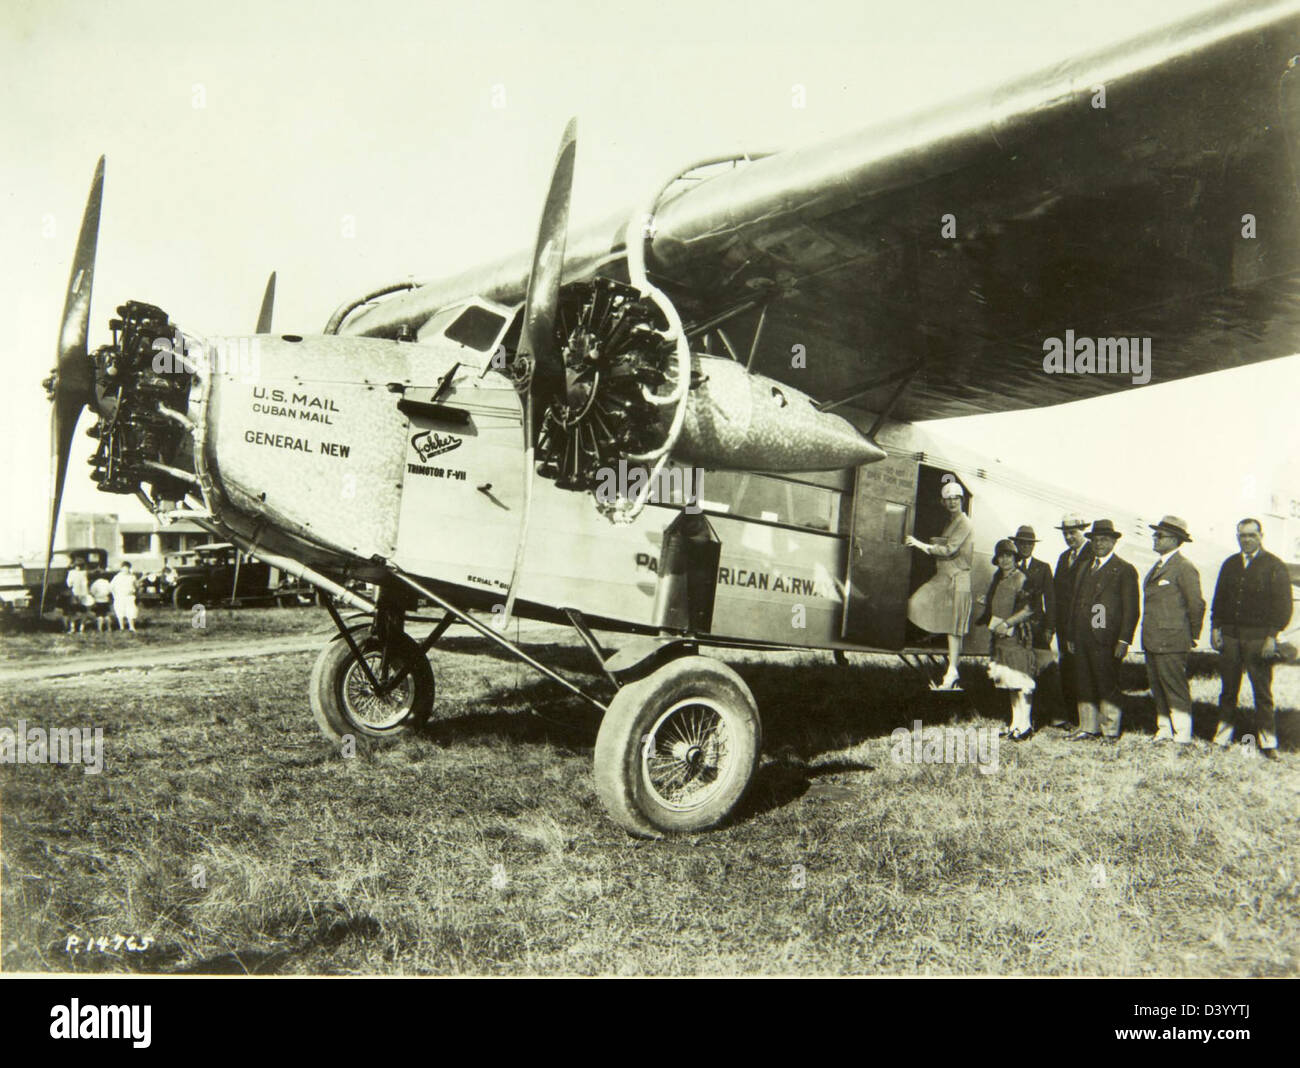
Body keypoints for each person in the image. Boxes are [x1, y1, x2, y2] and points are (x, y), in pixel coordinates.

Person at [1210, 518, 1293, 758]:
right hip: (1231, 637)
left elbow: (1283, 606)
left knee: (1262, 692)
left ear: (1261, 536)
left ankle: (1268, 742)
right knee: (1228, 690)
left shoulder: (1274, 565)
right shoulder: (1230, 564)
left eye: (1251, 535)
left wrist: (1271, 637)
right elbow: (1219, 599)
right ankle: (1222, 737)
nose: (1246, 540)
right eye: (1242, 536)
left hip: (1258, 639)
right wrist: (1216, 628)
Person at [1069, 519, 1139, 741]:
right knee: (1084, 681)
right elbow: (1074, 603)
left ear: (1113, 542)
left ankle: (1110, 731)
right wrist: (1071, 634)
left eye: (1104, 540)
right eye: (1095, 540)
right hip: (1082, 636)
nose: (1099, 544)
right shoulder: (1084, 567)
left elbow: (1131, 609)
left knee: (1106, 682)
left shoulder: (1124, 570)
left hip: (1106, 638)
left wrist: (1124, 640)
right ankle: (1088, 727)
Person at [1141, 516, 1205, 745]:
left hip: (1172, 640)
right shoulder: (1159, 566)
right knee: (1158, 687)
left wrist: (1192, 635)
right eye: (1155, 534)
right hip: (1153, 640)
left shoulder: (1184, 567)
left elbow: (1196, 604)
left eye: (1160, 535)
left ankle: (1182, 735)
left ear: (1175, 539)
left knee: (1174, 688)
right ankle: (1164, 731)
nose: (1155, 538)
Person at [905, 479, 974, 689]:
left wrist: (920, 544)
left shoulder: (964, 522)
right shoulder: (950, 522)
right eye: (948, 499)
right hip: (943, 575)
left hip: (957, 579)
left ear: (962, 500)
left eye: (956, 498)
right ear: (943, 502)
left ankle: (952, 672)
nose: (952, 502)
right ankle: (933, 633)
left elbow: (949, 550)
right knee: (915, 603)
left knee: (954, 628)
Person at [978, 539, 1041, 740]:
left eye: (1009, 556)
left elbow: (1029, 609)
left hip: (1018, 638)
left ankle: (1026, 726)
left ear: (1015, 558)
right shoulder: (999, 578)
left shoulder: (1022, 579)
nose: (1005, 560)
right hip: (1001, 639)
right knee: (1010, 682)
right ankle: (1015, 724)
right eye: (1001, 556)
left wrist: (1008, 623)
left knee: (1022, 682)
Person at [1052, 513, 1094, 729]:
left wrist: (1094, 626)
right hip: (1064, 626)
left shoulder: (1093, 554)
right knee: (1067, 669)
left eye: (1073, 532)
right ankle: (1072, 717)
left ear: (1083, 531)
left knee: (1084, 670)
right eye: (1065, 533)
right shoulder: (1063, 557)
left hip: (1083, 625)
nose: (1069, 537)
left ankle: (1087, 721)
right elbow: (1056, 592)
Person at [1011, 525, 1056, 718]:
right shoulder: (1009, 566)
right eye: (1022, 543)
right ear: (1016, 544)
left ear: (1034, 546)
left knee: (1047, 670)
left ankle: (1056, 716)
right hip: (1015, 628)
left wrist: (1050, 628)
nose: (1025, 547)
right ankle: (1021, 716)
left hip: (1038, 628)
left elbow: (1051, 600)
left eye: (1029, 544)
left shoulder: (1043, 568)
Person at [110, 561, 140, 633]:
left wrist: (134, 592)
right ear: (121, 568)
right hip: (120, 597)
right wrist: (115, 596)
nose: (125, 570)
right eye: (124, 568)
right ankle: (122, 627)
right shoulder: (117, 577)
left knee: (131, 611)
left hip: (129, 597)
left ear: (129, 568)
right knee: (120, 612)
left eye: (127, 568)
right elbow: (111, 587)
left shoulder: (132, 577)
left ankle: (131, 627)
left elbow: (137, 586)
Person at [64, 562, 91, 634]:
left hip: (78, 594)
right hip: (79, 594)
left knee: (76, 612)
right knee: (79, 612)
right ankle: (77, 629)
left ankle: (77, 629)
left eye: (79, 566)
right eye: (77, 566)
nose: (78, 567)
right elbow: (70, 583)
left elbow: (70, 584)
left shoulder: (75, 573)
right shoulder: (81, 573)